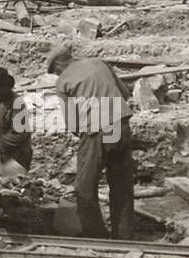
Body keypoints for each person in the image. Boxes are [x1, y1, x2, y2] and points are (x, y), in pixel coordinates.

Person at [47, 43, 135, 239]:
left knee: (84, 188)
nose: (56, 75)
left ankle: (96, 236)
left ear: (59, 66)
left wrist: (85, 136)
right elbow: (126, 93)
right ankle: (124, 235)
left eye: (55, 72)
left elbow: (72, 123)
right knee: (121, 184)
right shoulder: (99, 62)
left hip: (96, 131)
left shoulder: (63, 82)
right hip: (121, 124)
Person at [0, 67, 32, 174]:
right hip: (0, 156)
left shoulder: (17, 104)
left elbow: (20, 134)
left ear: (6, 88)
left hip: (17, 158)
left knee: (8, 184)